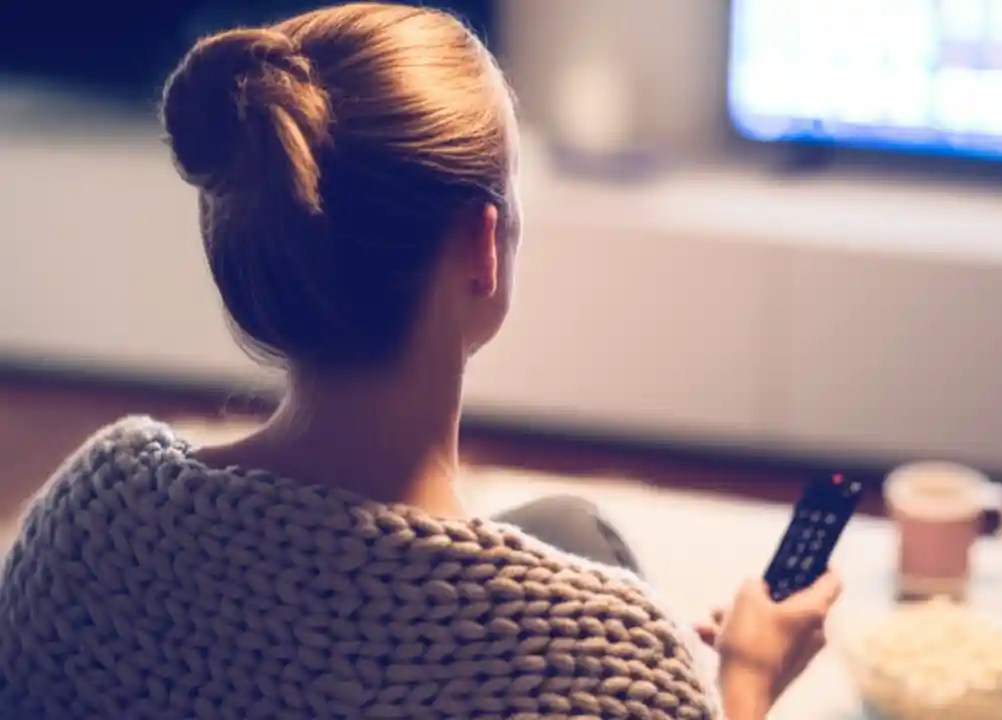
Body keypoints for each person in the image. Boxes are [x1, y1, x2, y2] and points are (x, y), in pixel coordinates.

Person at [0, 4, 842, 718]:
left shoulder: (89, 520)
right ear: (484, 244)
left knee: (565, 526)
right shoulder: (604, 660)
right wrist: (745, 682)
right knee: (576, 533)